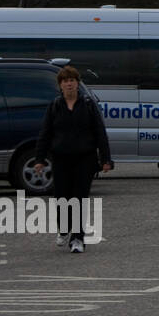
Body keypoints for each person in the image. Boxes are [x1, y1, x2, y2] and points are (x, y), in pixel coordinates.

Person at [34, 66, 113, 253]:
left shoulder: (87, 104)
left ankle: (77, 238)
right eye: (65, 81)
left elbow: (100, 132)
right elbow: (45, 133)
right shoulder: (55, 106)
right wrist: (40, 158)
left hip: (85, 159)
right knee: (62, 197)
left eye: (72, 80)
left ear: (77, 83)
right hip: (61, 159)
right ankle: (63, 229)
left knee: (79, 198)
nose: (69, 84)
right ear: (60, 85)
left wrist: (106, 159)